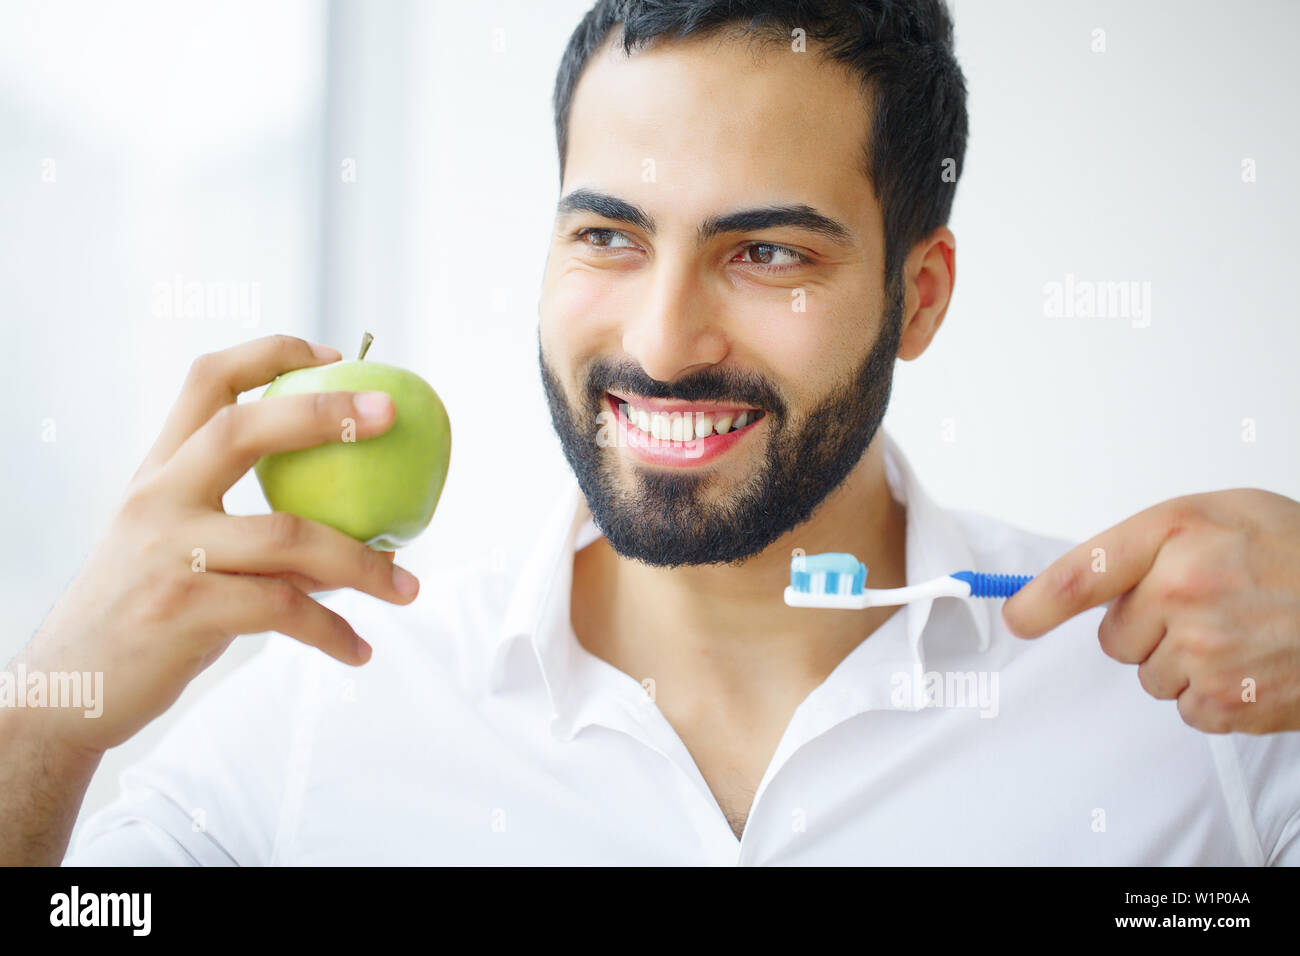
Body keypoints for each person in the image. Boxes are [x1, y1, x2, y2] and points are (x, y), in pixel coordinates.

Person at [3, 0, 1298, 866]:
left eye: (767, 251)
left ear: (920, 297)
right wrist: (47, 719)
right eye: (609, 235)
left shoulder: (1199, 718)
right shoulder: (317, 722)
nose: (666, 341)